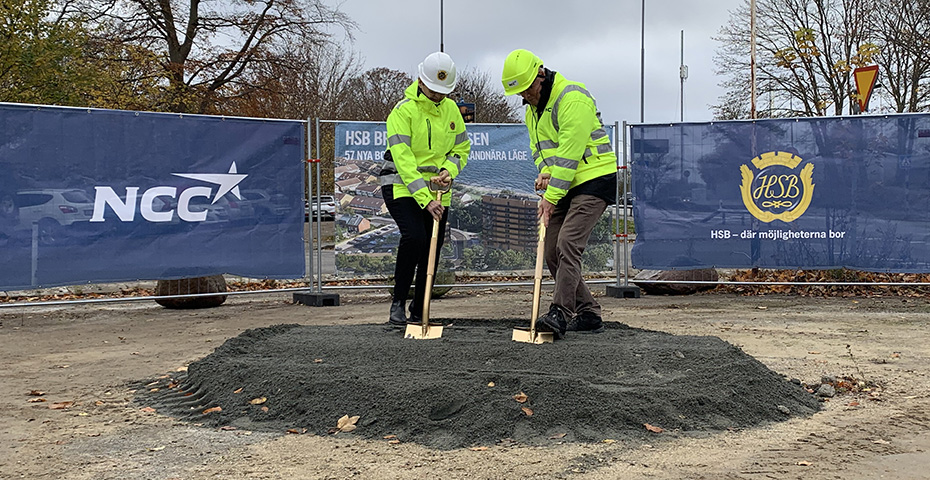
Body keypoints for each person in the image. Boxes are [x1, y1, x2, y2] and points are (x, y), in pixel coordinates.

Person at [501, 48, 617, 339]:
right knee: (552, 249)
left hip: (594, 179)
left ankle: (560, 313)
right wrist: (545, 172)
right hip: (564, 182)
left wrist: (550, 197)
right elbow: (540, 151)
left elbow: (569, 154)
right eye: (520, 94)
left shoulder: (572, 98)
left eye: (528, 89)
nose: (525, 96)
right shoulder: (532, 111)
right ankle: (589, 313)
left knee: (568, 243)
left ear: (540, 74)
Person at [380, 51, 470, 326]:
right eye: (434, 91)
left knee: (433, 246)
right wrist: (424, 199)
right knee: (416, 238)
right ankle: (398, 303)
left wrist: (449, 170)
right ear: (420, 81)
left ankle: (420, 311)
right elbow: (404, 161)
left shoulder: (452, 110)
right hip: (402, 186)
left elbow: (461, 147)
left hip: (438, 190)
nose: (438, 96)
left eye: (443, 92)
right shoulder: (402, 111)